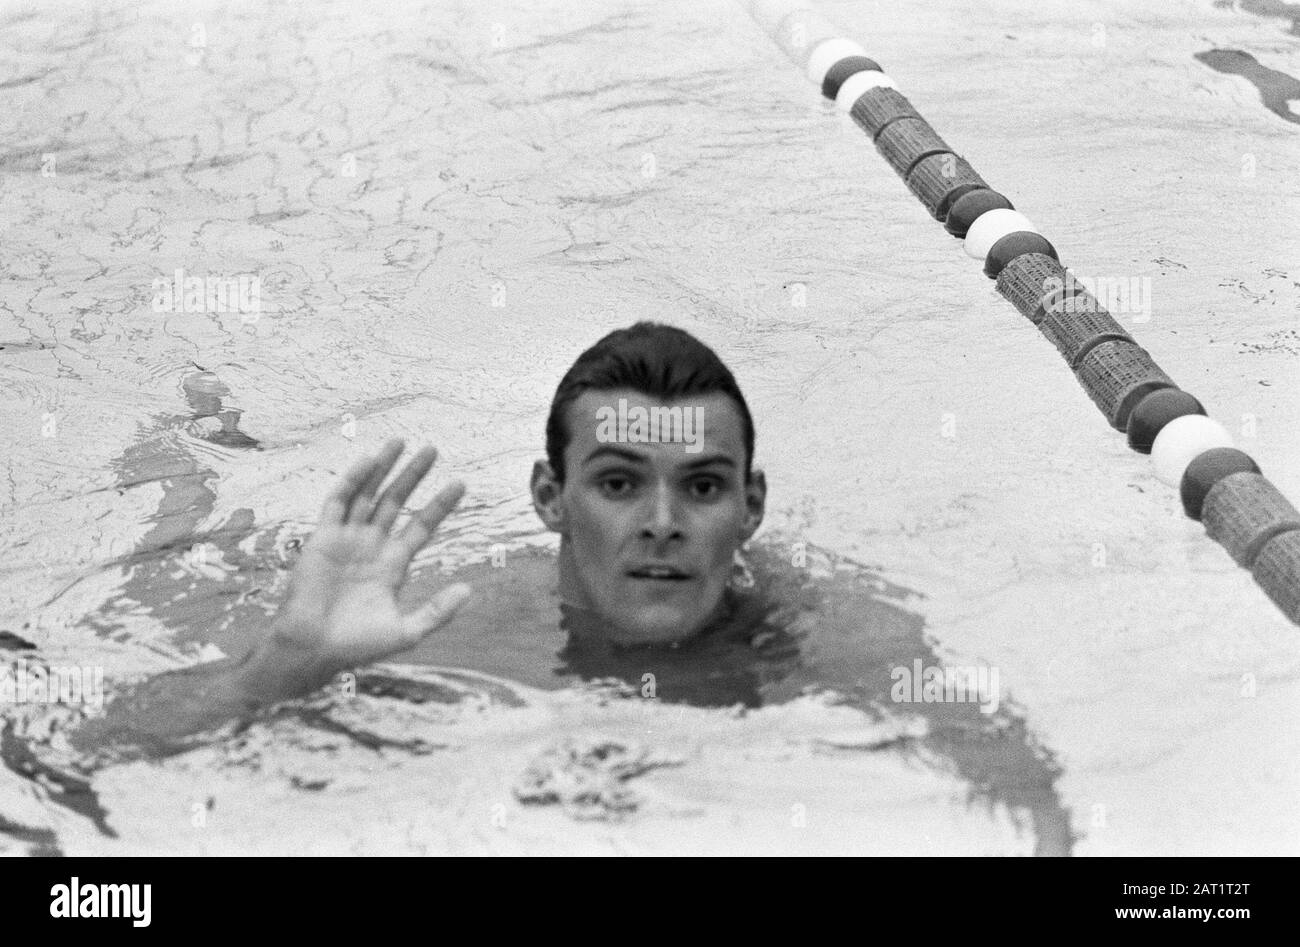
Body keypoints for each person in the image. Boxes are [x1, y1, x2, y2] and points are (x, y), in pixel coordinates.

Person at [80, 322, 769, 745]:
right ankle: (193, 454)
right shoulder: (438, 632)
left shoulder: (807, 630)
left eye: (703, 486)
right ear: (550, 498)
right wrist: (290, 664)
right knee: (200, 555)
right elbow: (103, 744)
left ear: (751, 505)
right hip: (260, 581)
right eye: (618, 484)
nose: (661, 522)